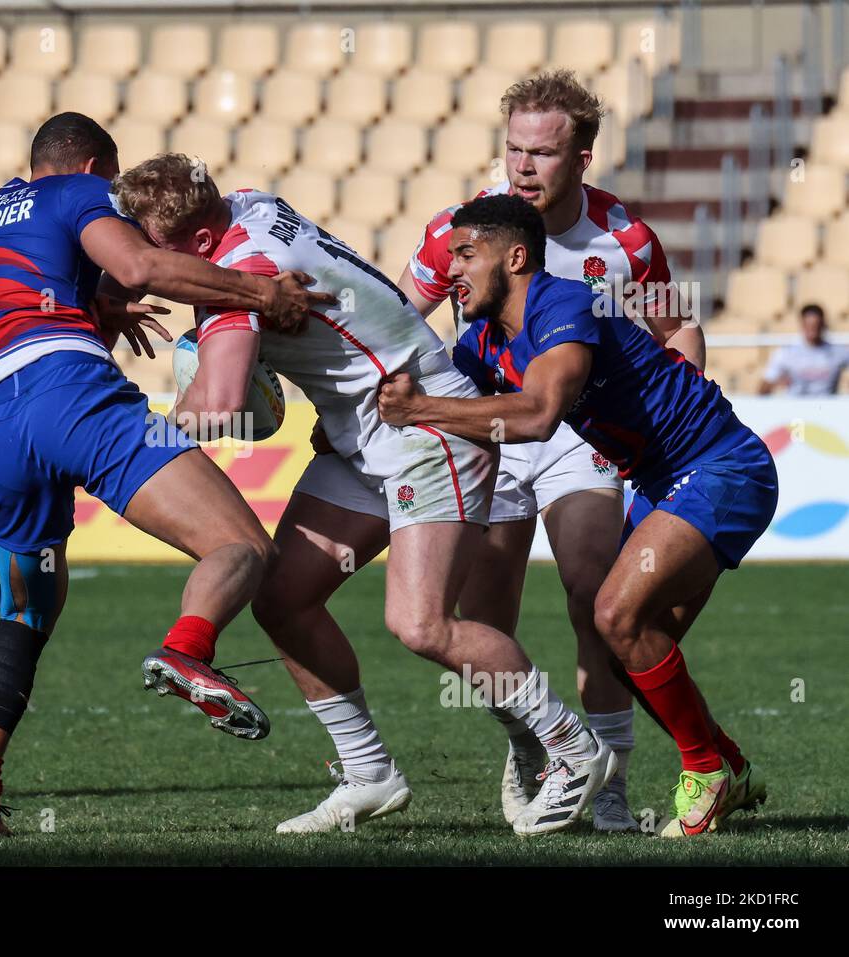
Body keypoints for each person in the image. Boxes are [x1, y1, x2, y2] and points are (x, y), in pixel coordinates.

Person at [114, 153, 618, 837]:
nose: (145, 264)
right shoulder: (248, 203)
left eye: (156, 251)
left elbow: (226, 405)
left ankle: (570, 745)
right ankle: (368, 773)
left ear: (200, 242)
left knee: (421, 624)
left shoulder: (241, 275)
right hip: (364, 433)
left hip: (427, 427)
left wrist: (137, 431)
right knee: (283, 598)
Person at [0, 114, 335, 837]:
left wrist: (92, 304)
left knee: (25, 614)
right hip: (71, 395)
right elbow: (139, 266)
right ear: (93, 166)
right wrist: (260, 295)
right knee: (242, 545)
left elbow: (26, 293)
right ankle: (187, 649)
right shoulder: (76, 191)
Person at [379, 193, 773, 837]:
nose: (451, 270)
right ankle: (729, 764)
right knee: (627, 648)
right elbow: (440, 409)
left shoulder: (565, 303)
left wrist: (417, 408)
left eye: (466, 255)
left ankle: (704, 770)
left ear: (515, 257)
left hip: (723, 467)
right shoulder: (483, 342)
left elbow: (537, 415)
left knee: (614, 615)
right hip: (662, 483)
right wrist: (359, 423)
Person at [395, 71, 700, 831]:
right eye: (514, 149)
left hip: (579, 436)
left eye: (543, 152)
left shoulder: (625, 240)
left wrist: (680, 413)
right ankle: (534, 742)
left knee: (593, 599)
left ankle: (611, 781)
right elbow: (398, 322)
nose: (523, 166)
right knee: (483, 613)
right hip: (488, 431)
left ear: (583, 156)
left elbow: (679, 328)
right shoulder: (461, 230)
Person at [759, 303, 849, 395]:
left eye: (816, 325)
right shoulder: (786, 352)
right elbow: (764, 387)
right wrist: (776, 383)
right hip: (795, 402)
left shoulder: (838, 352)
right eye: (808, 326)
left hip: (827, 402)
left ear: (822, 324)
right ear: (802, 324)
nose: (812, 330)